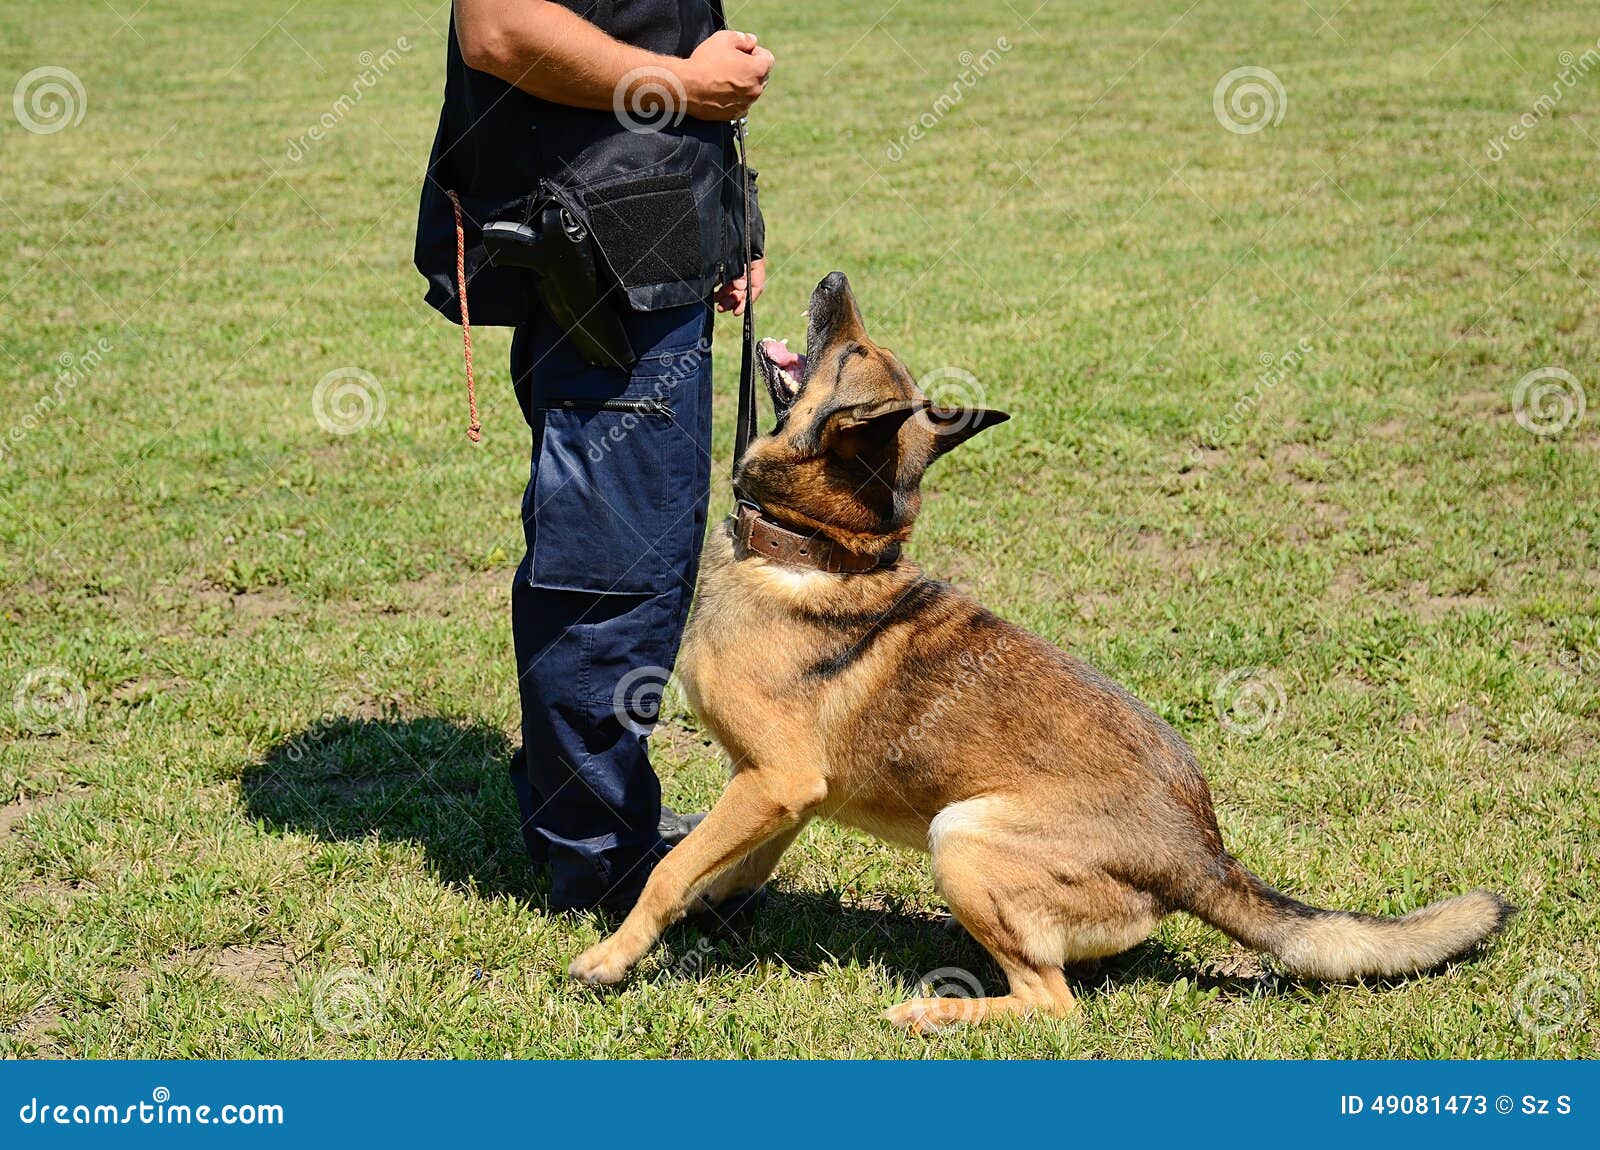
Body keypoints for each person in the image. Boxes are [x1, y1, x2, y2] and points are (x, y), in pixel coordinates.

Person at [414, 1, 772, 911]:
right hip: (602, 253)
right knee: (611, 573)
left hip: (649, 236)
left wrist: (724, 223)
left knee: (630, 556)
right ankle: (602, 866)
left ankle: (588, 828)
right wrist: (692, 86)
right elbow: (498, 29)